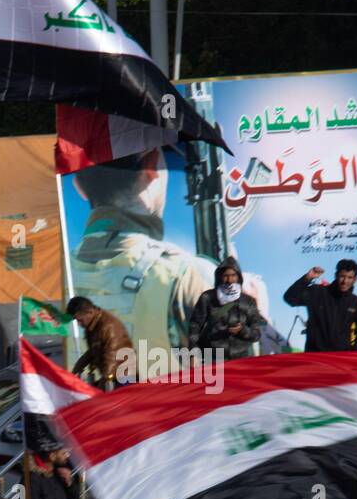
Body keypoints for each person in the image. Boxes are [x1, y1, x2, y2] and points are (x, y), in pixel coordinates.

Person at [68, 148, 221, 369]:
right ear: (152, 164)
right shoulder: (190, 275)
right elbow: (238, 385)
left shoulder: (50, 281)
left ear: (79, 186)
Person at [282, 259, 357, 352]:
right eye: (342, 276)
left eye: (349, 277)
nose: (345, 281)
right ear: (336, 275)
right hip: (315, 357)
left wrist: (353, 352)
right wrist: (307, 278)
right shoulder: (317, 292)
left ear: (355, 279)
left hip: (341, 359)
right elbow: (290, 298)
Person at [187, 255, 263, 360]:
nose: (229, 280)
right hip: (212, 358)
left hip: (240, 360)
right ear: (219, 277)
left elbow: (257, 334)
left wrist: (242, 330)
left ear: (239, 277)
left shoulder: (249, 301)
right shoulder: (207, 297)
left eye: (233, 275)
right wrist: (193, 354)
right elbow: (194, 326)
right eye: (225, 276)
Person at [67, 296, 134, 391]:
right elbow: (92, 351)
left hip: (123, 376)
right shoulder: (92, 325)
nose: (79, 324)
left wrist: (102, 385)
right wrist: (76, 369)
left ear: (90, 312)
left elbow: (112, 356)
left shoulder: (109, 327)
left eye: (80, 320)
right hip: (111, 374)